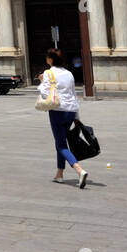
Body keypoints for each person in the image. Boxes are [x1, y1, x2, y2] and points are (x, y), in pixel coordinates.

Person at [39, 48, 89, 189]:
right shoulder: (69, 74)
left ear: (50, 59)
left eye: (48, 57)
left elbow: (44, 93)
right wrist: (77, 117)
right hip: (71, 111)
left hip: (57, 111)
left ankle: (79, 170)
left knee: (61, 145)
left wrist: (42, 81)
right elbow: (74, 94)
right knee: (60, 142)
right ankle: (59, 174)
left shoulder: (48, 73)